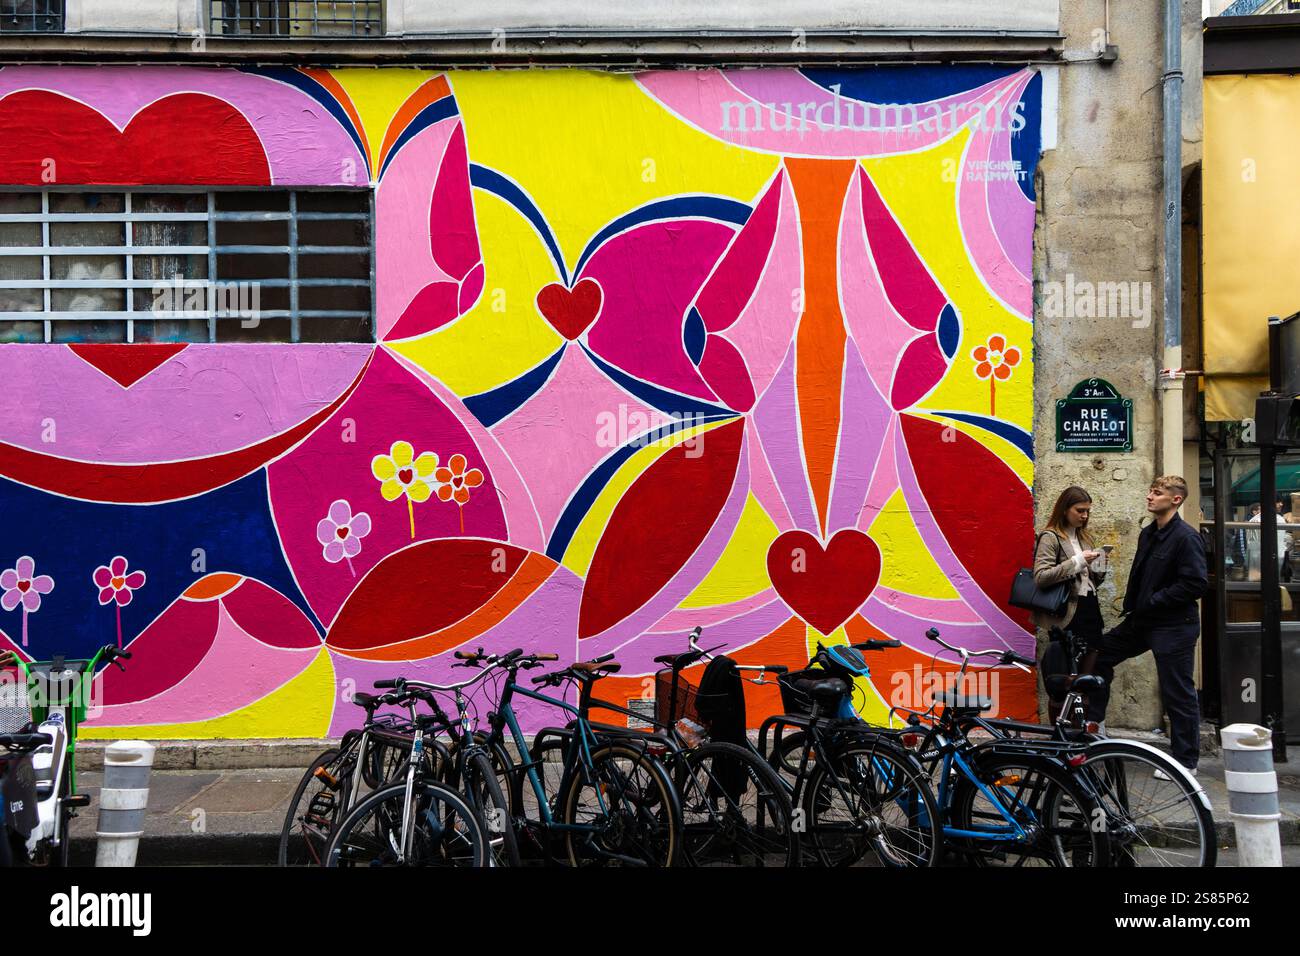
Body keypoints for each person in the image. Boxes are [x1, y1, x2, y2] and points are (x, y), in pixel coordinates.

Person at [1086, 475, 1208, 773]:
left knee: (1177, 690)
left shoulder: (1186, 537)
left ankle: (1185, 762)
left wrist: (1154, 600)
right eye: (1150, 491)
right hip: (1142, 621)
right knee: (1098, 656)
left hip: (1175, 625)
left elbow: (1195, 584)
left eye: (1157, 493)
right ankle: (1095, 729)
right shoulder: (1148, 533)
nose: (1150, 497)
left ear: (1175, 499)